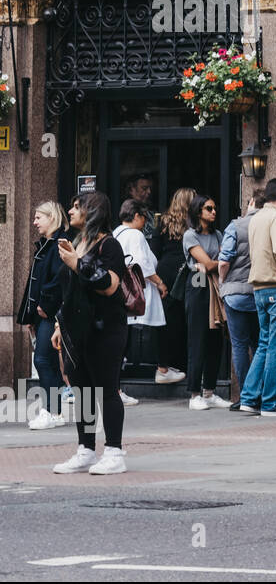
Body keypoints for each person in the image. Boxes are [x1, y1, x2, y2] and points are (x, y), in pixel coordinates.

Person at [50, 192, 130, 475]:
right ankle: (85, 449)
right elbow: (69, 292)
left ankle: (114, 451)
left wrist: (76, 264)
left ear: (92, 211)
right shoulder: (77, 243)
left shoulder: (110, 245)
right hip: (77, 329)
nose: (70, 211)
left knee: (107, 389)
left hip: (106, 327)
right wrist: (60, 324)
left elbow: (109, 285)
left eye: (76, 206)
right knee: (82, 391)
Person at [240, 178, 276, 416]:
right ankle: (272, 401)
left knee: (264, 344)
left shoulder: (257, 217)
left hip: (260, 288)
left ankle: (249, 397)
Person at [22, 202, 71, 430]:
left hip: (53, 313)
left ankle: (51, 411)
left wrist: (45, 305)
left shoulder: (59, 243)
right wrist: (32, 314)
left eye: (38, 217)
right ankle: (54, 411)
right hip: (44, 313)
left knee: (41, 360)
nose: (34, 222)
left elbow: (60, 278)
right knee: (47, 361)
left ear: (51, 218)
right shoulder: (45, 244)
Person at [113, 200, 169, 395]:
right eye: (144, 218)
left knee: (123, 337)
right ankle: (162, 368)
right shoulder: (135, 235)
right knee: (150, 330)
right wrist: (160, 282)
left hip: (120, 292)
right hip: (138, 292)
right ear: (136, 216)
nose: (145, 223)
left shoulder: (116, 234)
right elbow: (142, 263)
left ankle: (116, 388)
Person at [218, 188, 265, 410]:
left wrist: (222, 282)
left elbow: (224, 260)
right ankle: (258, 393)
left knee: (239, 345)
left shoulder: (236, 226)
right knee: (260, 345)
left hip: (235, 293)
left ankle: (245, 395)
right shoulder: (269, 225)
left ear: (251, 202)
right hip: (260, 294)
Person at [182, 193, 228, 411]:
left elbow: (218, 263)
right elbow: (209, 264)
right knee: (197, 339)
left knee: (215, 339)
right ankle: (193, 394)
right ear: (198, 211)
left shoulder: (218, 234)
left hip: (216, 288)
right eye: (209, 208)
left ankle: (209, 391)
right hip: (198, 285)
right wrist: (217, 263)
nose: (213, 212)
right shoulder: (190, 236)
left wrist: (215, 264)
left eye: (214, 208)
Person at [151, 187, 195, 382]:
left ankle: (164, 365)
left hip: (165, 273)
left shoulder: (162, 223)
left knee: (165, 320)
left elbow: (154, 252)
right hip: (185, 273)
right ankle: (176, 365)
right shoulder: (194, 224)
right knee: (183, 321)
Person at [124, 174, 157, 238]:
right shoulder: (124, 214)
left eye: (150, 188)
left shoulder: (152, 214)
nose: (149, 192)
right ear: (131, 189)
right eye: (144, 188)